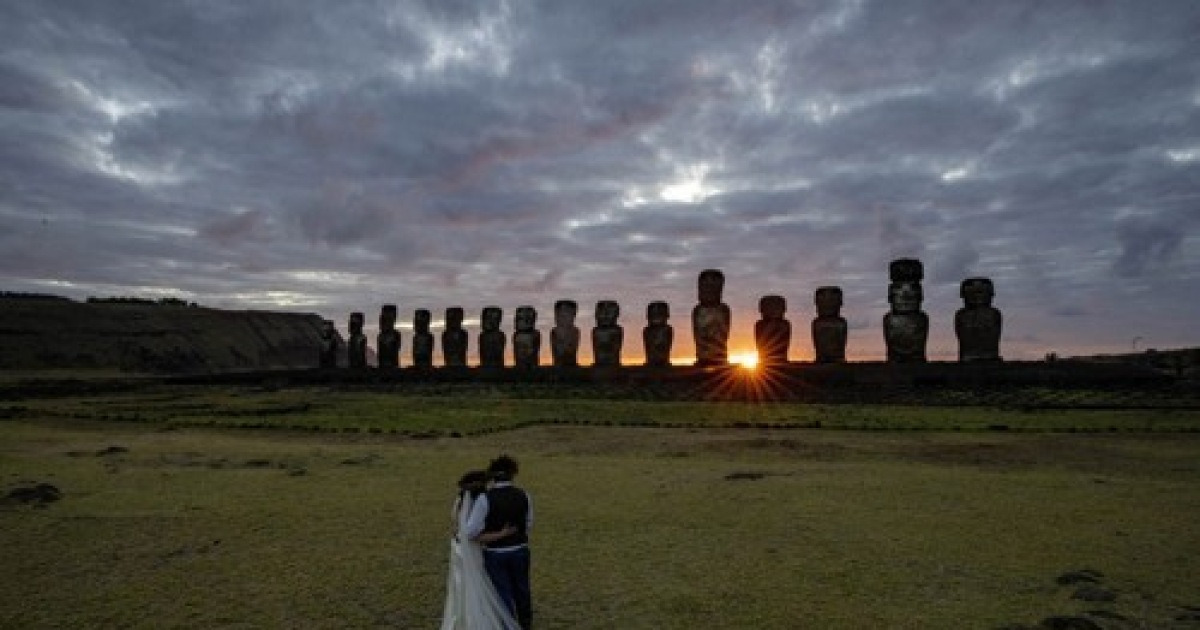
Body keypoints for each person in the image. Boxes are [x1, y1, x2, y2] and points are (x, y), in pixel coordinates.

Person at [440, 470, 521, 630]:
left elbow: (455, 528)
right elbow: (474, 536)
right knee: (478, 585)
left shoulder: (458, 502)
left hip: (457, 549)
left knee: (460, 586)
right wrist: (502, 533)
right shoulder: (478, 504)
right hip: (471, 551)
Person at [465, 455, 533, 630]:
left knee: (503, 592)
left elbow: (471, 531)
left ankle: (507, 624)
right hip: (520, 549)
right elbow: (528, 523)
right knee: (522, 589)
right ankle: (526, 623)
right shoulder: (524, 495)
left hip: (495, 554)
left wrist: (497, 535)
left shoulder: (485, 499)